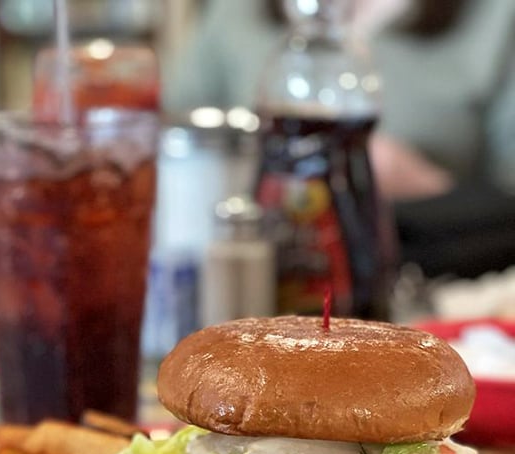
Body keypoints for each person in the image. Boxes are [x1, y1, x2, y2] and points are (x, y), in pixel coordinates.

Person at [161, 0, 515, 280]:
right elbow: (167, 133)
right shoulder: (235, 11)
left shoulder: (496, 16)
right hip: (251, 269)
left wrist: (429, 185)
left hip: (428, 277)